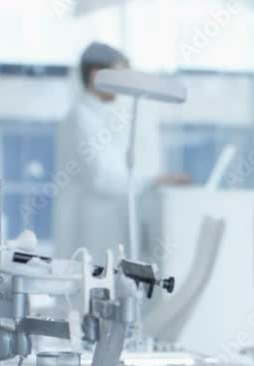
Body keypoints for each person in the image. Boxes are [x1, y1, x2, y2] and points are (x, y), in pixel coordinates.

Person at [53, 41, 190, 261]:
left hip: (107, 230)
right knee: (86, 288)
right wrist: (151, 181)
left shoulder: (104, 116)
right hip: (89, 233)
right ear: (96, 74)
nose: (125, 85)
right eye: (120, 75)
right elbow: (101, 177)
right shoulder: (80, 118)